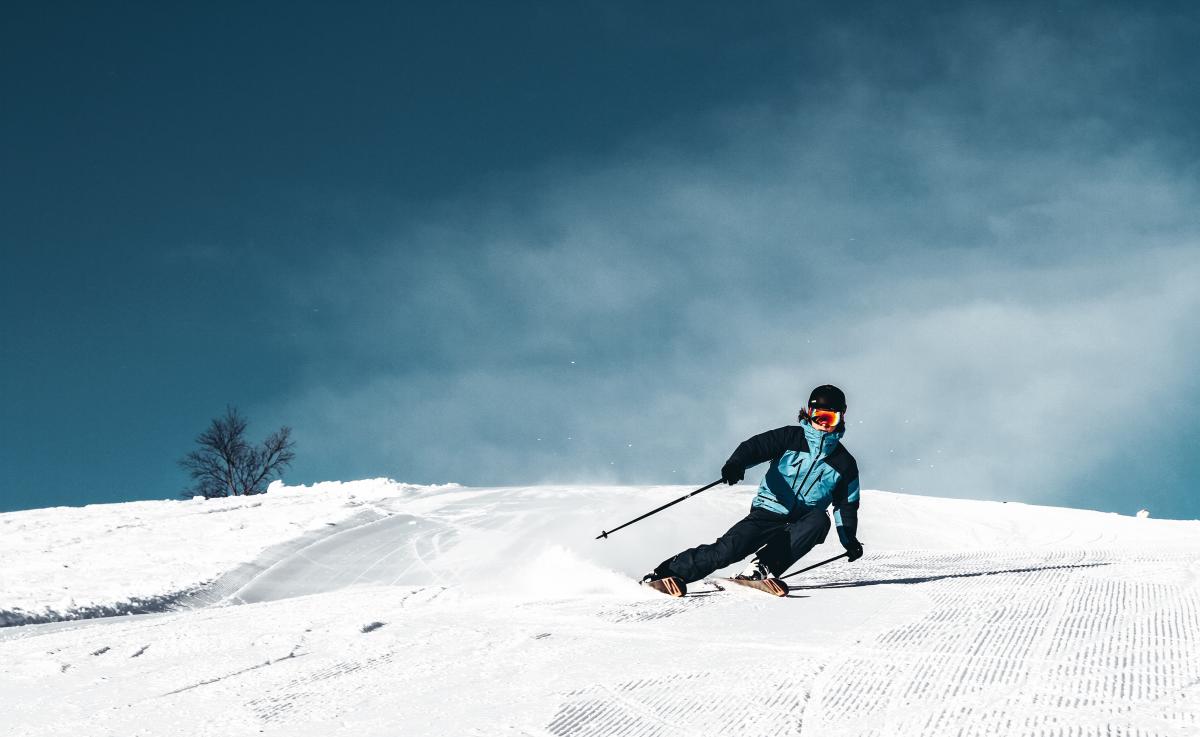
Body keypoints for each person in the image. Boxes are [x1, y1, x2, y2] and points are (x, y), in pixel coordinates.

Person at [642, 384, 862, 594]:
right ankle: (665, 574)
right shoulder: (790, 437)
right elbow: (755, 447)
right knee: (727, 550)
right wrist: (736, 464)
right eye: (819, 416)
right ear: (809, 413)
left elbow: (846, 506)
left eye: (830, 417)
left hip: (803, 522)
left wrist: (849, 541)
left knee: (819, 521)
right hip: (768, 511)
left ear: (841, 417)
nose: (823, 423)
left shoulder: (845, 463)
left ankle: (760, 569)